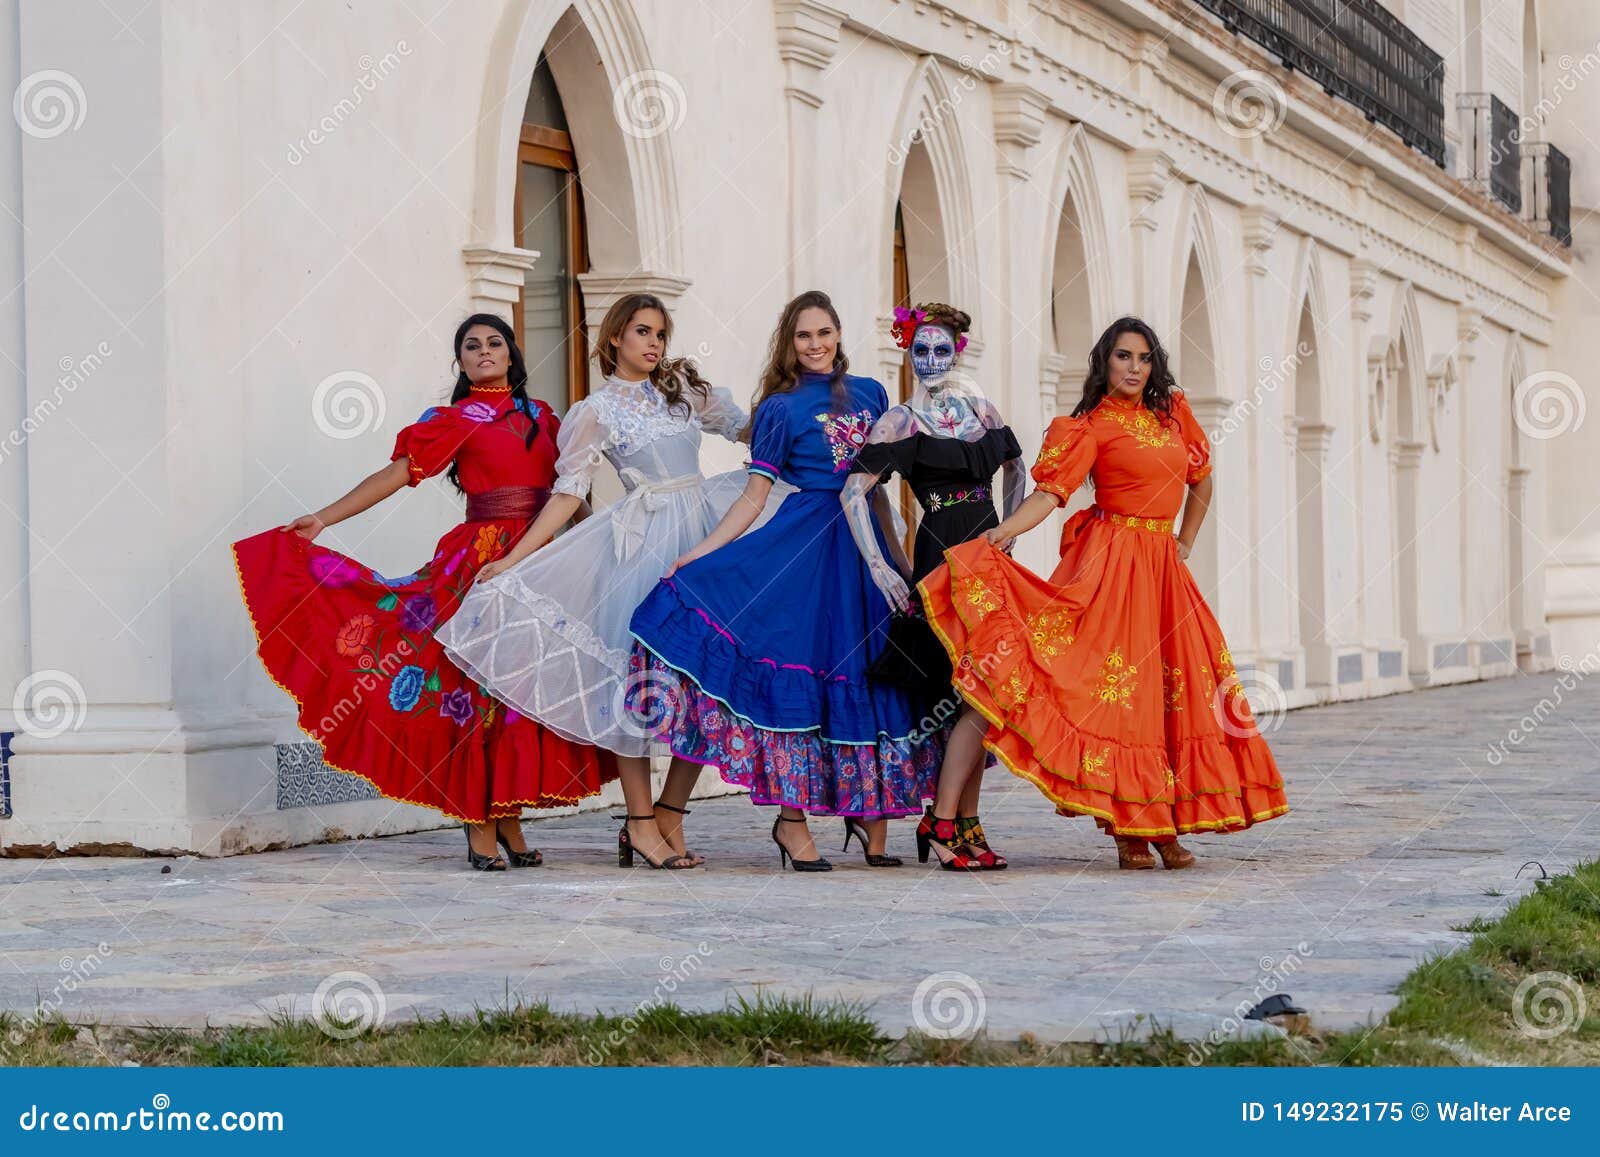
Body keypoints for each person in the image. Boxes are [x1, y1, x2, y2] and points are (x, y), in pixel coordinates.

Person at [232, 314, 616, 872]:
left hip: (539, 563)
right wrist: (324, 518)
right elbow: (394, 475)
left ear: (511, 354)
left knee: (523, 687)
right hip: (479, 564)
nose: (484, 351)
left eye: (494, 343)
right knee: (475, 685)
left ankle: (507, 813)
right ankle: (477, 821)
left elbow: (568, 491)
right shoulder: (455, 419)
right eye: (471, 346)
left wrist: (595, 543)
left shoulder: (545, 417)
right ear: (460, 362)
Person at [918, 317, 1290, 869]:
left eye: (1143, 358)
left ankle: (1163, 828)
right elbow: (1050, 494)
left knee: (1173, 695)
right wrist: (1001, 533)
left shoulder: (1172, 414)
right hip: (1111, 570)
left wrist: (1184, 541)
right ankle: (1129, 833)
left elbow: (1203, 477)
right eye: (1123, 357)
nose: (1134, 367)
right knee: (1112, 695)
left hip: (1164, 571)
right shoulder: (1088, 426)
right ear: (1104, 362)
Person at [441, 293, 780, 870]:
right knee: (637, 683)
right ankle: (640, 822)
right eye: (643, 332)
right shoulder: (595, 410)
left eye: (660, 335)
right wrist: (518, 558)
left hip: (703, 530)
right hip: (645, 544)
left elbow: (754, 430)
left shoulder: (682, 393)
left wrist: (807, 408)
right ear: (616, 337)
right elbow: (569, 491)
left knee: (707, 681)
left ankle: (672, 810)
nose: (653, 344)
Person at [628, 290, 943, 872]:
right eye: (803, 336)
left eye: (824, 333)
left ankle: (868, 818)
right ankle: (791, 820)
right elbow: (753, 498)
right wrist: (698, 555)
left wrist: (900, 564)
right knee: (803, 667)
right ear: (789, 344)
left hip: (866, 545)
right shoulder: (779, 408)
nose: (815, 345)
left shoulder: (873, 394)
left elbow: (880, 489)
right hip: (804, 550)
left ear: (840, 335)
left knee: (867, 672)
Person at [841, 302, 1022, 870]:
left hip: (988, 554)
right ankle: (948, 822)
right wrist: (879, 567)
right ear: (907, 353)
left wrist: (1009, 532)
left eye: (942, 349)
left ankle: (959, 821)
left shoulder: (984, 412)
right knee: (964, 692)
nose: (931, 359)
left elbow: (1020, 471)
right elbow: (853, 492)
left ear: (958, 351)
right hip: (940, 553)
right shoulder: (900, 421)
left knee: (985, 690)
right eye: (921, 350)